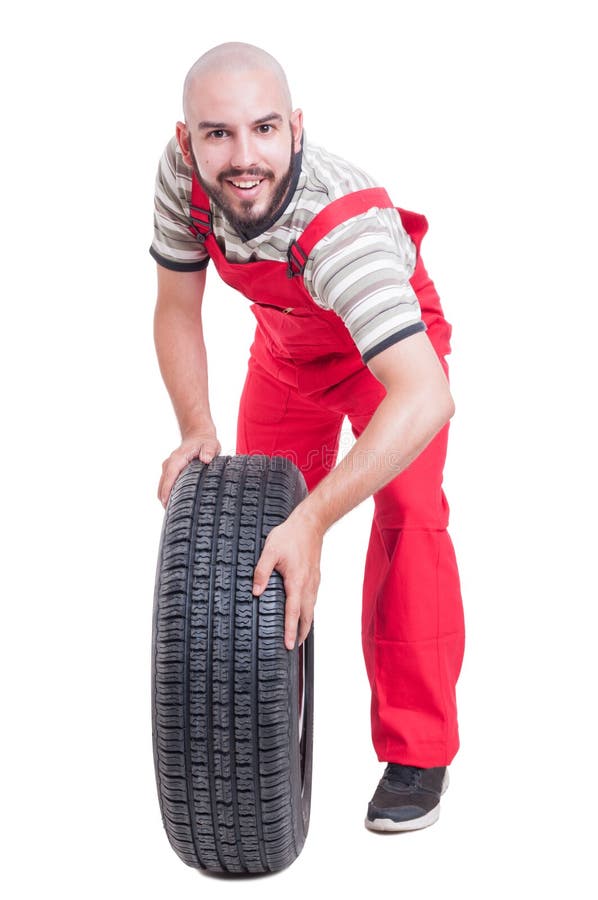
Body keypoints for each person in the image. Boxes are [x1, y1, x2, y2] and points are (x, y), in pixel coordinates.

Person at [150, 41, 465, 833]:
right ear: (189, 140)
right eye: (218, 134)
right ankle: (252, 732)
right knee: (255, 540)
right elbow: (176, 306)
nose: (244, 156)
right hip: (286, 351)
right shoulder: (183, 178)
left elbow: (427, 396)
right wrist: (197, 425)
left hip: (390, 360)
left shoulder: (341, 226)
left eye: (263, 129)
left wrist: (319, 516)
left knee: (410, 519)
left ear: (295, 128)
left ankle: (417, 753)